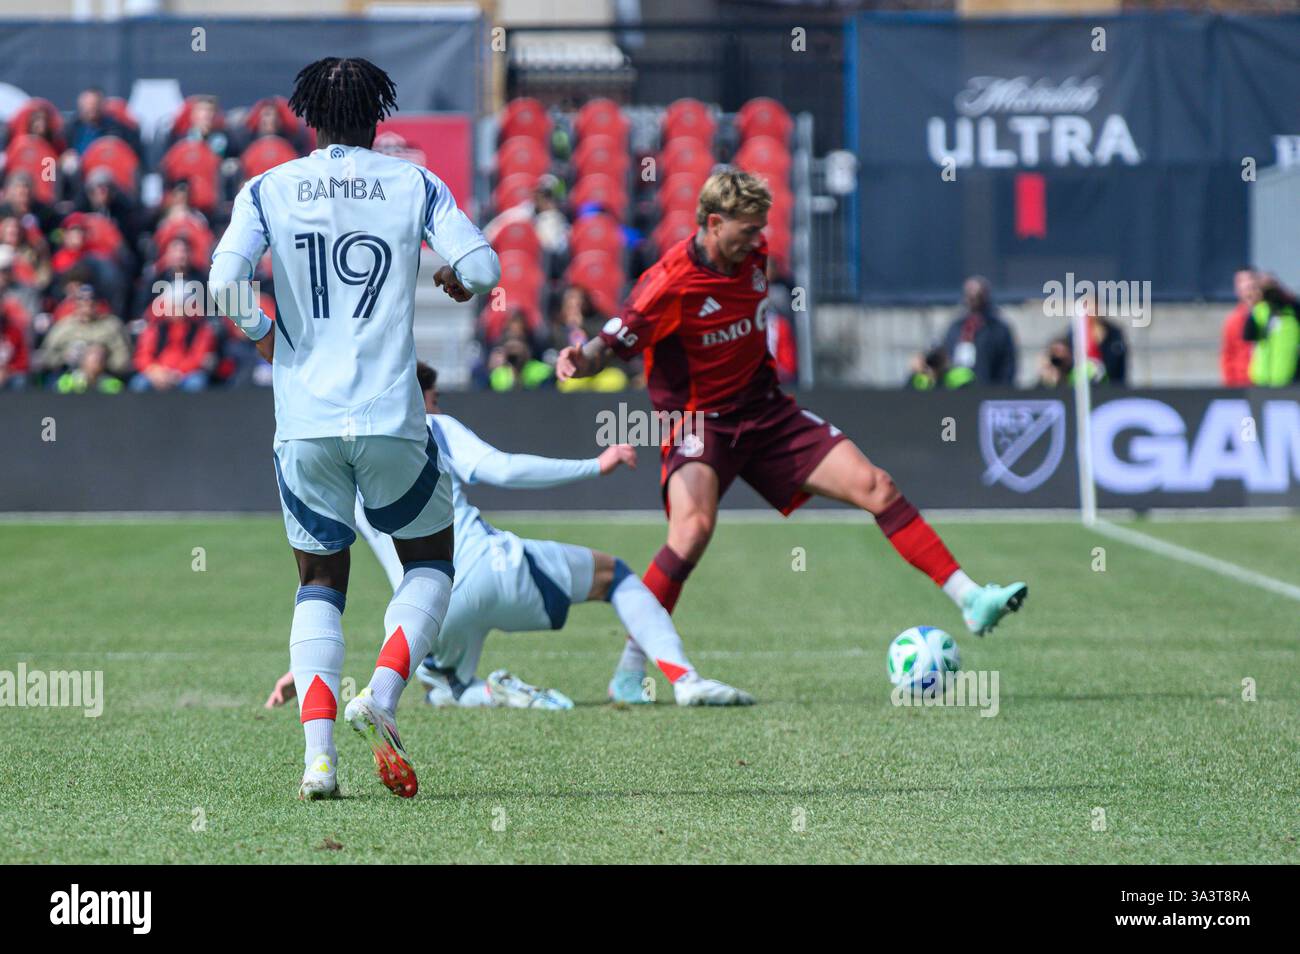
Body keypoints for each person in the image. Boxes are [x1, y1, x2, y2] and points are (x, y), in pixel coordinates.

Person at [557, 169, 1027, 703]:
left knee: (877, 487)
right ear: (713, 223)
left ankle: (969, 598)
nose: (760, 240)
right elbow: (611, 341)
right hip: (701, 422)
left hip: (767, 413)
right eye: (749, 229)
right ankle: (630, 670)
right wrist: (580, 359)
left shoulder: (756, 262)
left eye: (763, 228)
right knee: (691, 532)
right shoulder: (669, 281)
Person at [208, 57, 500, 801]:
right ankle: (386, 694)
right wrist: (463, 280)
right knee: (431, 563)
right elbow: (487, 266)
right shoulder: (412, 182)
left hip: (303, 420)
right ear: (379, 118)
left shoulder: (268, 187)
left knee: (319, 583)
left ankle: (318, 762)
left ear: (309, 119)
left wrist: (266, 335)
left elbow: (221, 284)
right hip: (391, 417)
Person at [265, 363, 751, 714]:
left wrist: (310, 665)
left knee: (442, 686)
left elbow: (330, 575)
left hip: (432, 614)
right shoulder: (423, 426)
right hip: (486, 567)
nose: (436, 407)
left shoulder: (344, 460)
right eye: (433, 398)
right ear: (418, 397)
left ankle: (493, 693)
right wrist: (593, 464)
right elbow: (502, 468)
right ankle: (678, 680)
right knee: (616, 575)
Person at [937, 276, 1017, 385]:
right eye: (970, 295)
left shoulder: (998, 329)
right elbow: (945, 357)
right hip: (956, 393)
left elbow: (1007, 365)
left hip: (986, 389)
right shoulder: (956, 327)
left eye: (978, 296)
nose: (973, 299)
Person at [1244, 274, 1300, 386]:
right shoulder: (1260, 310)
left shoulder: (1293, 309)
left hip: (1289, 376)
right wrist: (1253, 304)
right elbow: (1248, 335)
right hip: (1262, 377)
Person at [1221, 268, 1259, 388]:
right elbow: (1229, 355)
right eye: (1242, 281)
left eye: (1251, 280)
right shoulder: (1234, 320)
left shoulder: (1272, 315)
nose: (1247, 285)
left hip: (1269, 381)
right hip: (1243, 384)